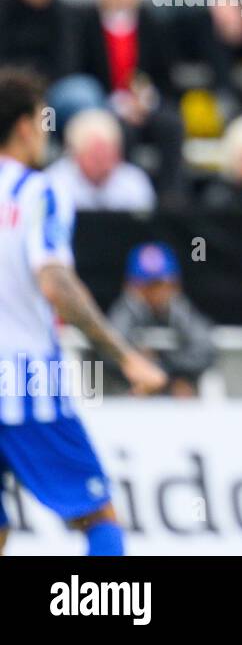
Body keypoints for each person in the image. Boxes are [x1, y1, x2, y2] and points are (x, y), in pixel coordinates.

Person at [0, 68, 167, 556]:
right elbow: (56, 283)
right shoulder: (39, 190)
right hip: (27, 380)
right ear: (28, 126)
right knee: (98, 515)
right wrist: (125, 356)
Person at [69, 0, 186, 204]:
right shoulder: (84, 24)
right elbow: (77, 74)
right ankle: (123, 201)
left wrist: (146, 100)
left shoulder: (153, 24)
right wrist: (116, 104)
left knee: (171, 124)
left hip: (146, 106)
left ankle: (172, 200)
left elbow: (167, 77)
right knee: (120, 132)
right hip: (104, 107)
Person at [108, 242, 217, 396]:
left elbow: (205, 349)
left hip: (176, 388)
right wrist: (144, 370)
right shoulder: (127, 309)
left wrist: (163, 368)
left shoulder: (179, 308)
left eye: (161, 284)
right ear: (131, 286)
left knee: (183, 390)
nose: (156, 292)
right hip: (128, 392)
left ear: (174, 285)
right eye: (148, 285)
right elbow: (110, 352)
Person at [46, 109, 157, 212]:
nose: (102, 162)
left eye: (107, 154)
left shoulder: (135, 183)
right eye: (95, 156)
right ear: (76, 156)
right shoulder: (54, 183)